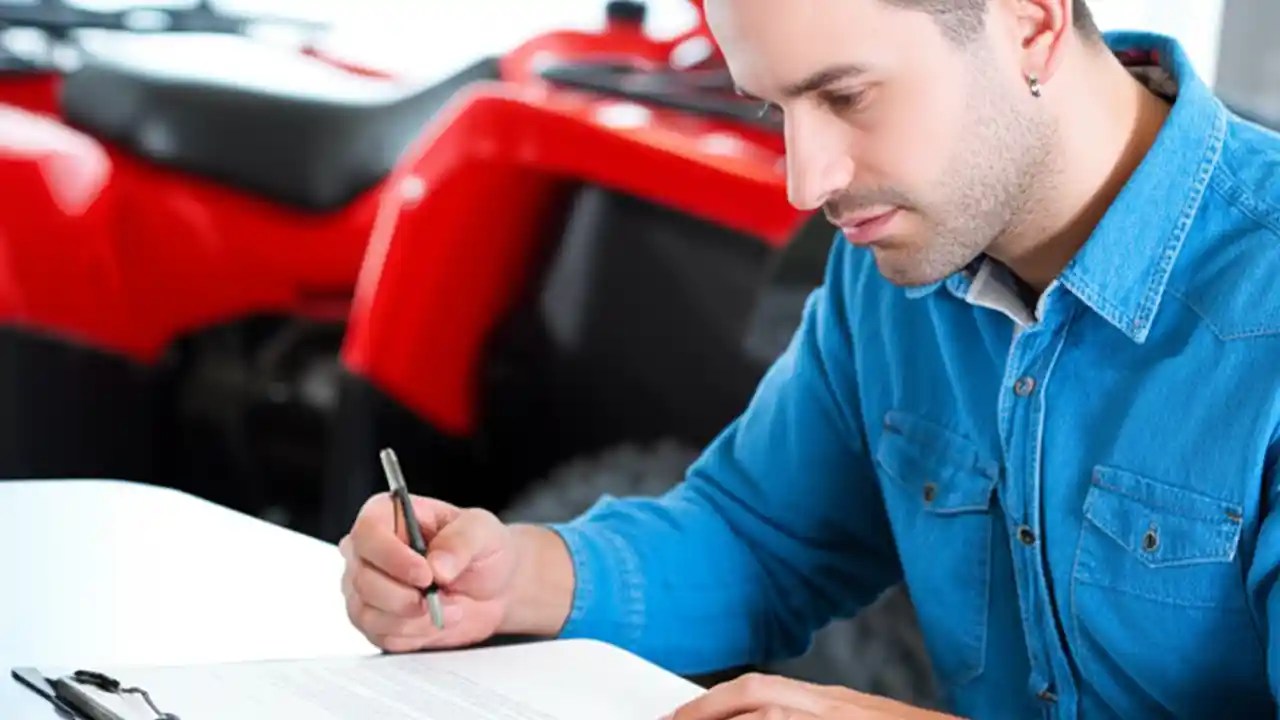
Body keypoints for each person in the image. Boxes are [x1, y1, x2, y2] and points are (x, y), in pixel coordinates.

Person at [340, 0, 1280, 717]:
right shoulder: (898, 266)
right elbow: (761, 538)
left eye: (845, 96)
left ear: (1029, 23)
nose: (806, 179)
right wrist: (513, 576)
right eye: (776, 107)